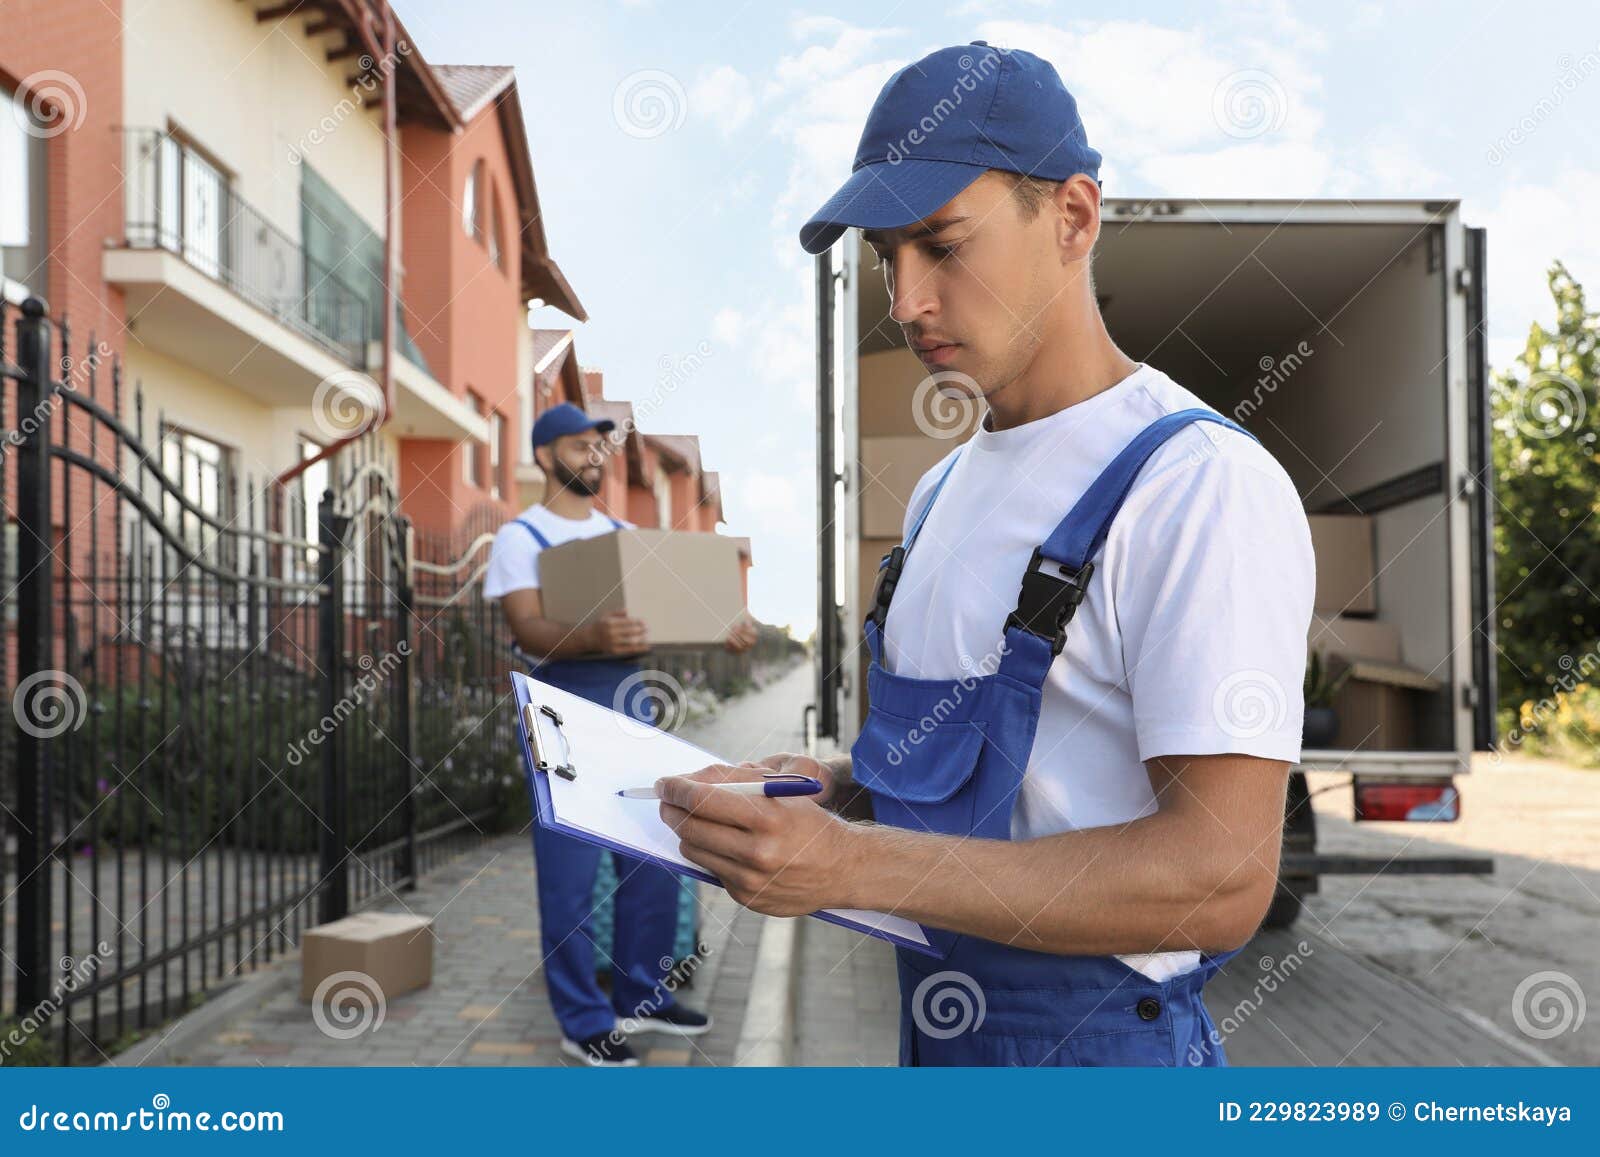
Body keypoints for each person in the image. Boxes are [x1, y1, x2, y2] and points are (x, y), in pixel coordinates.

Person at [655, 42, 1315, 1066]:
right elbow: (1003, 781)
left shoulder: (1192, 486)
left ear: (1074, 218)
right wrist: (828, 795)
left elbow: (1220, 877)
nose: (903, 300)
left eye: (941, 245)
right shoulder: (935, 496)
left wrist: (856, 864)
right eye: (886, 256)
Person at [486, 401, 757, 1066]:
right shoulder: (520, 538)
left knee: (654, 857)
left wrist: (724, 623)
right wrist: (594, 634)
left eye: (600, 448)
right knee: (570, 873)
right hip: (562, 710)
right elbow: (527, 629)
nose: (594, 458)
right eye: (581, 446)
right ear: (548, 455)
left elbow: (666, 613)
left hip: (630, 707)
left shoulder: (621, 535)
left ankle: (646, 995)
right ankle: (582, 1018)